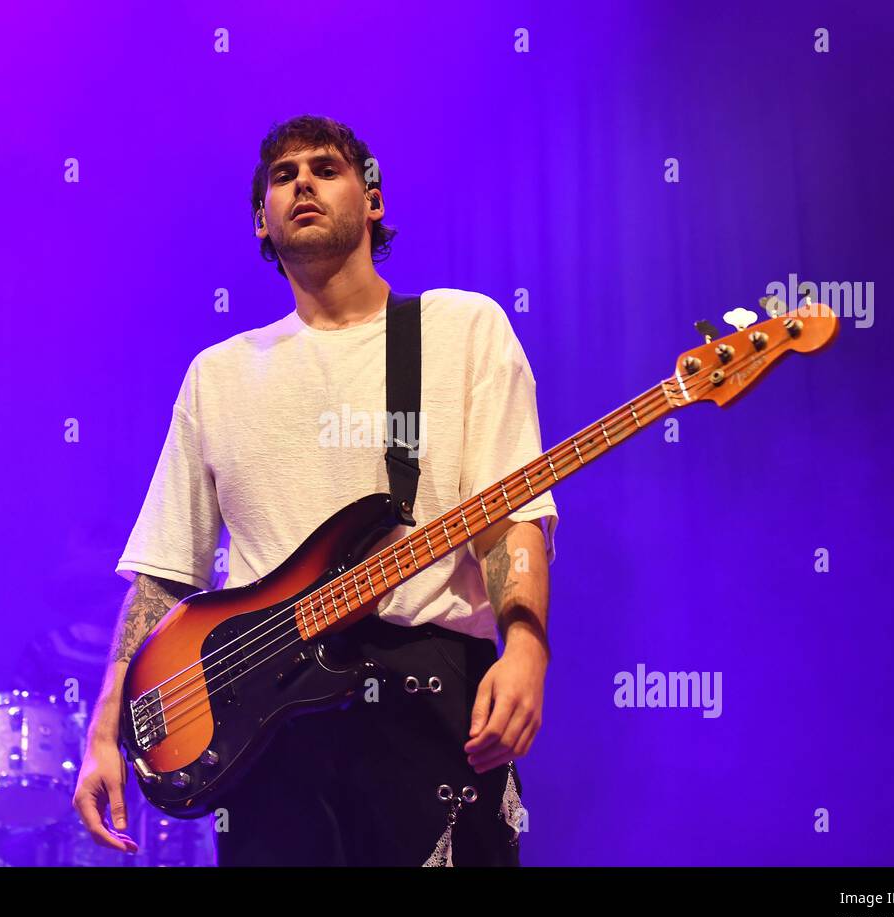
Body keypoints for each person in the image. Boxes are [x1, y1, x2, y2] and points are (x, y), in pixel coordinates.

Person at [72, 115, 557, 866]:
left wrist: (526, 644)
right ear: (261, 222)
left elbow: (511, 519)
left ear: (373, 201)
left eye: (325, 168)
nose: (301, 181)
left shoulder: (463, 329)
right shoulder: (219, 373)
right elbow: (167, 575)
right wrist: (106, 729)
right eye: (282, 174)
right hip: (268, 734)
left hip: (426, 701)